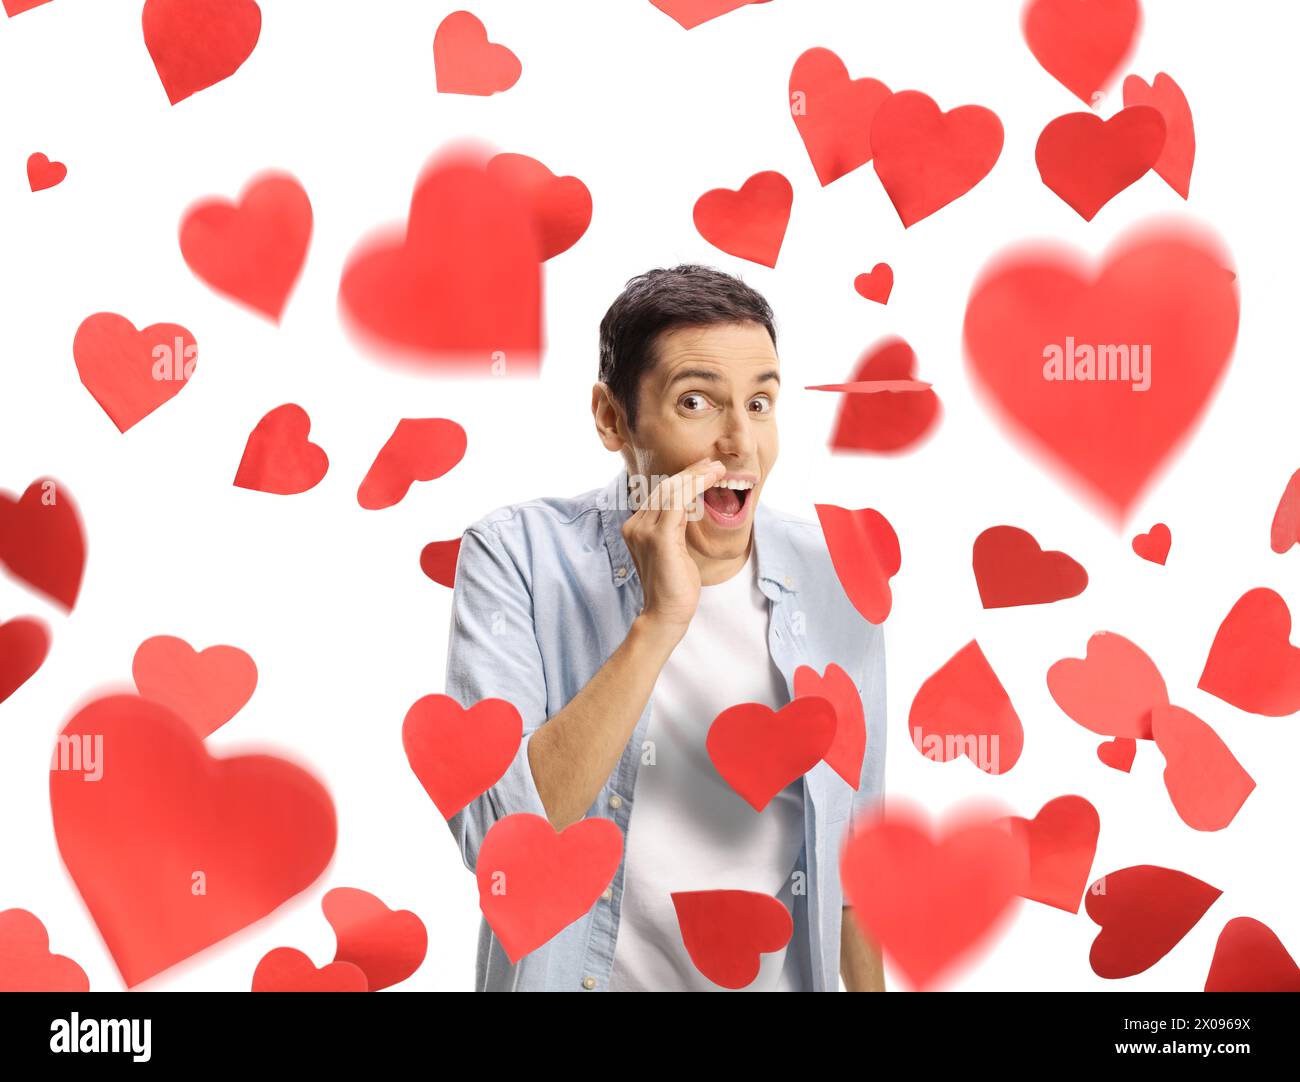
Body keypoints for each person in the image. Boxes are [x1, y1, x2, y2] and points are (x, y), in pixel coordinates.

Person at [444, 264, 886, 991]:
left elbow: (854, 851)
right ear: (612, 419)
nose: (741, 442)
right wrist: (658, 624)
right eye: (697, 403)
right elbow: (507, 848)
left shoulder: (836, 576)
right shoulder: (516, 557)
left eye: (762, 402)